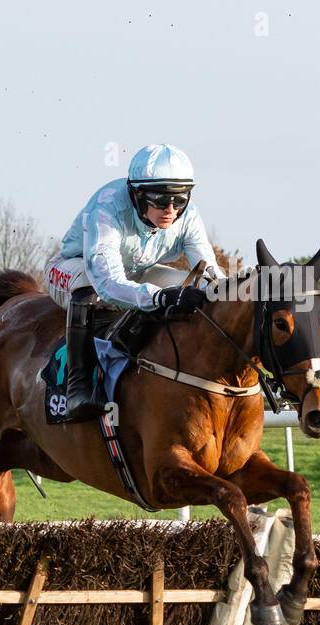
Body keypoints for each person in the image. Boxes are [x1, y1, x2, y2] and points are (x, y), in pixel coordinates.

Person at [45, 144, 224, 421]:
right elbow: (107, 283)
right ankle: (77, 388)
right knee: (89, 290)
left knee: (199, 289)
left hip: (137, 271)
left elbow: (211, 274)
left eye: (179, 201)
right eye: (160, 201)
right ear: (137, 195)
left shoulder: (188, 216)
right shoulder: (107, 207)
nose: (171, 210)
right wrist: (161, 298)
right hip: (77, 269)